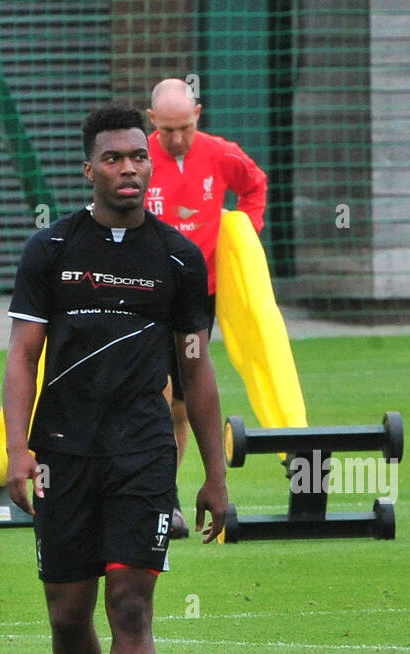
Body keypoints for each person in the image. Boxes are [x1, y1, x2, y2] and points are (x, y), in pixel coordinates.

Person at [2, 103, 228, 654]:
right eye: (114, 158)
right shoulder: (53, 250)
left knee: (130, 605)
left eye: (138, 157)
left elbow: (196, 369)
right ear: (89, 169)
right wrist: (16, 451)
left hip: (143, 452)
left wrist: (216, 474)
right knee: (68, 614)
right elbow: (22, 355)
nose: (128, 169)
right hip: (64, 453)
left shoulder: (178, 259)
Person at [147, 77, 268, 538]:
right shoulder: (139, 160)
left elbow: (255, 185)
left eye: (185, 127)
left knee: (180, 405)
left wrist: (244, 238)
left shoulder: (220, 153)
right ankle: (162, 499)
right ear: (152, 119)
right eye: (168, 130)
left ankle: (168, 498)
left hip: (200, 298)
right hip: (148, 295)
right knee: (154, 394)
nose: (177, 139)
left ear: (198, 113)